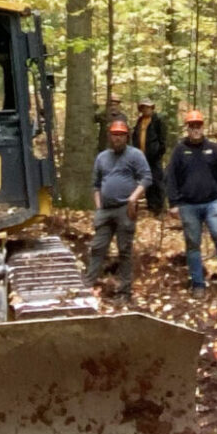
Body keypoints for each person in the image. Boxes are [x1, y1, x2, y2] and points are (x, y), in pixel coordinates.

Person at [165, 111, 217, 292]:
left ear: (203, 127)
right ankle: (198, 284)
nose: (195, 129)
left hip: (214, 202)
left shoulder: (214, 149)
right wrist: (173, 203)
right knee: (193, 243)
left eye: (198, 125)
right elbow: (171, 177)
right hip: (188, 205)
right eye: (192, 126)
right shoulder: (179, 151)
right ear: (187, 128)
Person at [85, 117, 151, 300]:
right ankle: (89, 283)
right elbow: (96, 185)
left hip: (125, 209)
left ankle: (125, 291)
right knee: (97, 247)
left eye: (121, 135)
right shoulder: (102, 157)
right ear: (109, 136)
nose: (117, 138)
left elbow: (146, 178)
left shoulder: (135, 155)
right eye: (114, 135)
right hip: (105, 210)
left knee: (125, 250)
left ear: (127, 137)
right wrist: (98, 208)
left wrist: (133, 198)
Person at [134, 98, 168, 214]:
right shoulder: (140, 121)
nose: (146, 109)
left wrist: (158, 153)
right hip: (142, 157)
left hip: (154, 157)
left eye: (148, 107)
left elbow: (163, 140)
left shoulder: (158, 120)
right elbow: (135, 137)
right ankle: (151, 205)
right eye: (143, 107)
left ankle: (160, 207)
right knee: (146, 181)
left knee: (157, 181)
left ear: (152, 108)